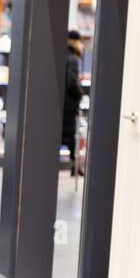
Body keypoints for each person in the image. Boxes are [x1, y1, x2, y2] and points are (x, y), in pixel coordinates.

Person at [63, 29, 85, 171]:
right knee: (72, 136)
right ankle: (75, 167)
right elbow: (72, 81)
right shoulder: (74, 59)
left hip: (62, 102)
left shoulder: (63, 55)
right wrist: (80, 94)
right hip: (70, 104)